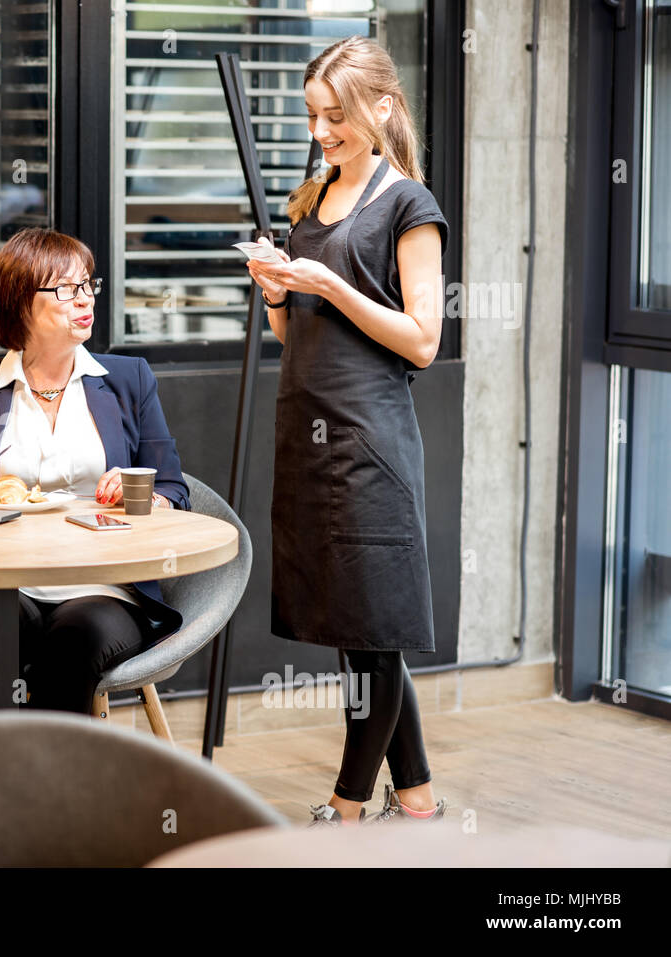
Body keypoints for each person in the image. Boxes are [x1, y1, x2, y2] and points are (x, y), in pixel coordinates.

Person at [245, 36, 448, 826]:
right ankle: (421, 799)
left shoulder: (408, 206)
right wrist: (275, 293)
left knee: (370, 632)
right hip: (308, 436)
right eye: (312, 117)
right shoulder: (311, 200)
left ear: (382, 108)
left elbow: (423, 340)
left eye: (336, 116)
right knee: (359, 631)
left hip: (370, 444)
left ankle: (349, 806)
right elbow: (300, 341)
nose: (320, 132)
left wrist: (331, 284)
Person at [0, 228, 190, 715]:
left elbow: (172, 489)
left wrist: (139, 490)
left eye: (87, 286)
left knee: (76, 638)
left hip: (103, 585)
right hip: (4, 579)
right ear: (20, 303)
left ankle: (56, 788)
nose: (83, 300)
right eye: (64, 290)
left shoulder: (127, 380)